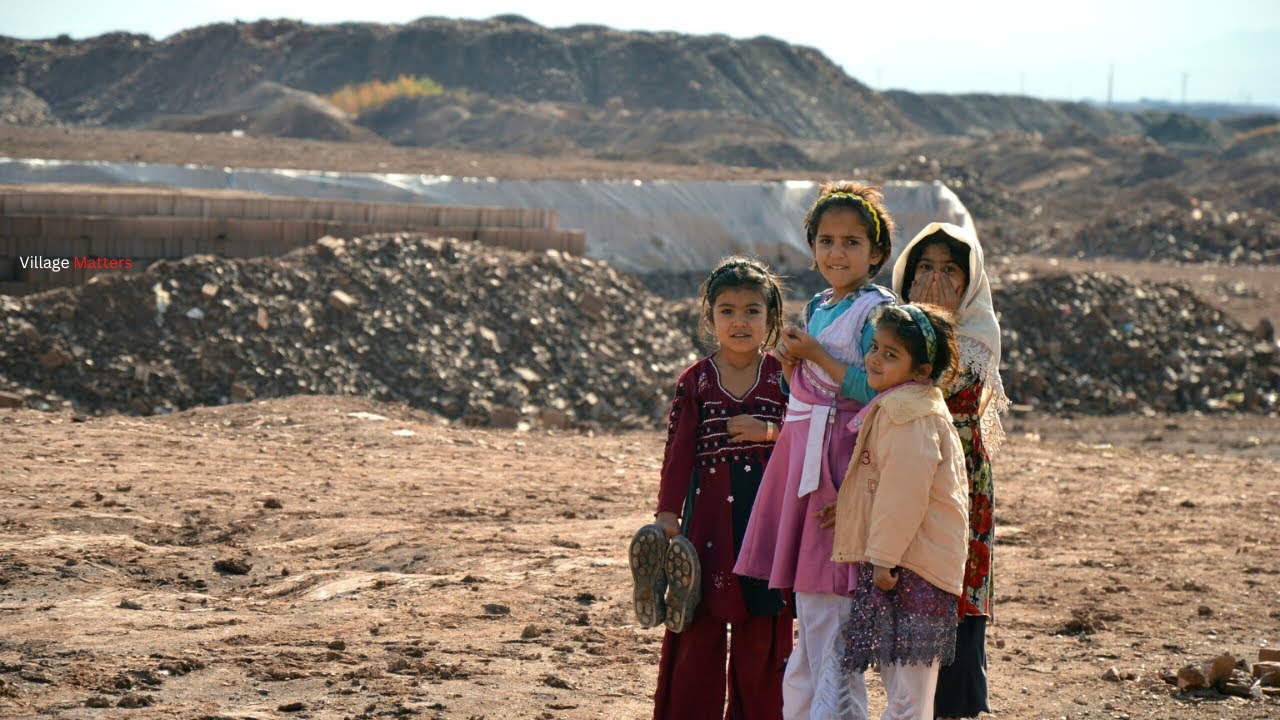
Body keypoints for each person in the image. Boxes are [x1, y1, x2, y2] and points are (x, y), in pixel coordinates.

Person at [734, 182, 896, 720]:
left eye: (852, 242)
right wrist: (791, 370)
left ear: (875, 252)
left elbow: (878, 389)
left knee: (832, 606)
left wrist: (817, 359)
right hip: (804, 453)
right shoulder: (822, 304)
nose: (836, 253)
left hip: (838, 459)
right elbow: (803, 392)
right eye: (825, 240)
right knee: (814, 609)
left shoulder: (877, 311)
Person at [632, 256, 794, 720]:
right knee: (697, 624)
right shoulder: (697, 380)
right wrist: (667, 512)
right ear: (710, 316)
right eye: (727, 310)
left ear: (770, 317)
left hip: (767, 525)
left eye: (751, 310)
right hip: (706, 529)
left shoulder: (785, 378)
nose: (739, 321)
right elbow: (679, 450)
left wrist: (769, 430)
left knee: (763, 632)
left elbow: (806, 436)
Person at [824, 302, 970, 720]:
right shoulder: (904, 406)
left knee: (908, 693)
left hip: (910, 564)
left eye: (891, 354)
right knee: (902, 685)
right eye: (874, 347)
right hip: (904, 560)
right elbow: (883, 487)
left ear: (921, 370)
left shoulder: (910, 416)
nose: (873, 359)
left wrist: (883, 558)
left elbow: (903, 495)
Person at [892, 222, 1008, 719]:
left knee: (956, 583)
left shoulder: (977, 333)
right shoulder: (888, 328)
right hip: (902, 468)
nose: (935, 278)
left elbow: (934, 377)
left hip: (959, 475)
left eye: (949, 270)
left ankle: (956, 702)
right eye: (924, 268)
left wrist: (928, 324)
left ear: (970, 281)